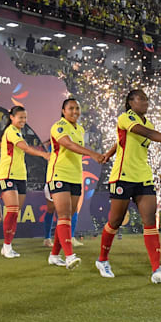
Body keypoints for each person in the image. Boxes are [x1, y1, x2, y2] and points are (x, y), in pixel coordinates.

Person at [96, 89, 161, 283]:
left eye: (147, 99)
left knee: (150, 221)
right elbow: (147, 134)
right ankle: (102, 260)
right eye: (141, 99)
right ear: (130, 102)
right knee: (115, 221)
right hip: (123, 176)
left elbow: (121, 141)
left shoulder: (148, 122)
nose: (146, 102)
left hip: (143, 176)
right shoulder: (125, 118)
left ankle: (156, 270)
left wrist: (108, 154)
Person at [46, 98, 107, 269]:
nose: (75, 111)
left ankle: (54, 255)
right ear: (63, 111)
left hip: (75, 176)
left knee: (67, 217)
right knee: (64, 215)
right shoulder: (58, 126)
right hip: (59, 174)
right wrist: (93, 154)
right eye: (71, 108)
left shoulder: (79, 129)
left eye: (77, 108)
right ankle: (69, 256)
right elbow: (68, 144)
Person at [0, 106, 50, 258]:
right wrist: (43, 155)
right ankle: (6, 246)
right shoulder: (11, 131)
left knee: (15, 212)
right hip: (7, 175)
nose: (23, 121)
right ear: (12, 117)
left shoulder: (16, 132)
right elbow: (24, 147)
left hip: (21, 176)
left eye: (25, 118)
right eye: (20, 117)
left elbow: (2, 144)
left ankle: (8, 246)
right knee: (12, 210)